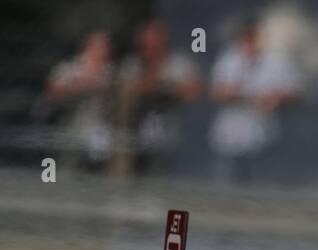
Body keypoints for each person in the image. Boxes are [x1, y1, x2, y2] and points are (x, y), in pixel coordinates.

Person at [208, 18, 302, 183]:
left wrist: (279, 97)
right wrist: (249, 97)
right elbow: (218, 93)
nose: (251, 43)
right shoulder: (229, 60)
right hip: (229, 139)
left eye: (255, 38)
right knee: (225, 188)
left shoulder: (277, 63)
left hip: (263, 139)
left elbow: (298, 93)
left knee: (260, 189)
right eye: (247, 38)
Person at [113, 20, 202, 176]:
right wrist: (161, 84)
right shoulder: (133, 63)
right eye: (148, 41)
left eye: (157, 40)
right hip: (132, 134)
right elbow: (128, 89)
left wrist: (166, 87)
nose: (153, 45)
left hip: (170, 133)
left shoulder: (178, 63)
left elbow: (193, 92)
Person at [45, 31, 116, 171]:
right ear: (87, 47)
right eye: (98, 47)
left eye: (105, 47)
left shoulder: (112, 71)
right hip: (70, 126)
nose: (102, 51)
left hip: (103, 130)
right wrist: (84, 86)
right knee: (66, 168)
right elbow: (53, 92)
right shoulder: (70, 68)